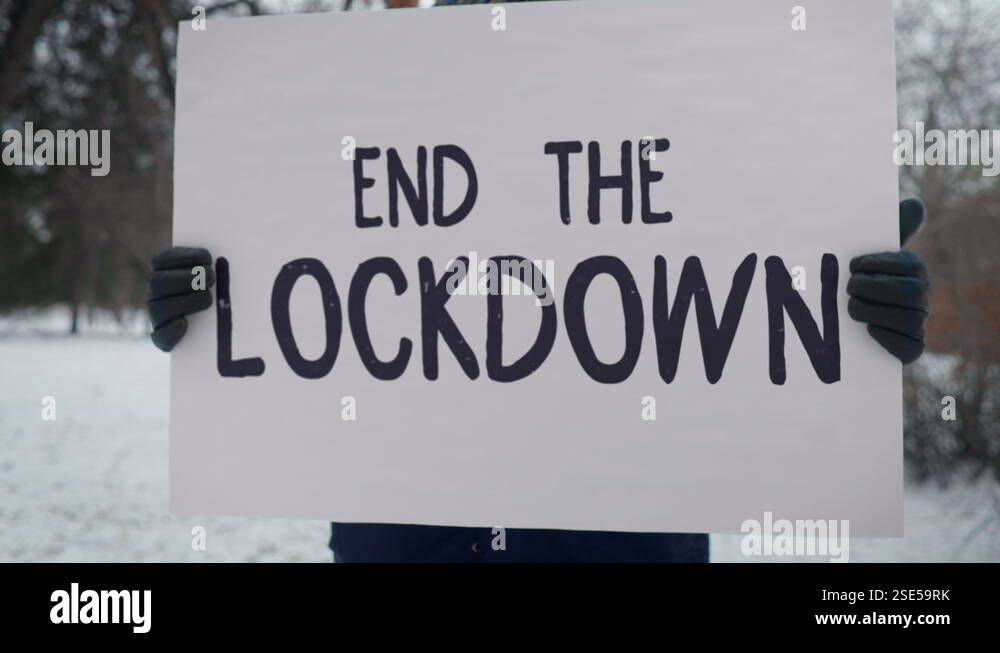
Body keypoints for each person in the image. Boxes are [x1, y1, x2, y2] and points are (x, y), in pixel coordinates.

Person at [149, 1, 930, 562]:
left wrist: (850, 306)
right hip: (401, 538)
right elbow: (305, 285)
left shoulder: (666, 73)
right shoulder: (362, 97)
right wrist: (214, 307)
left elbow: (733, 292)